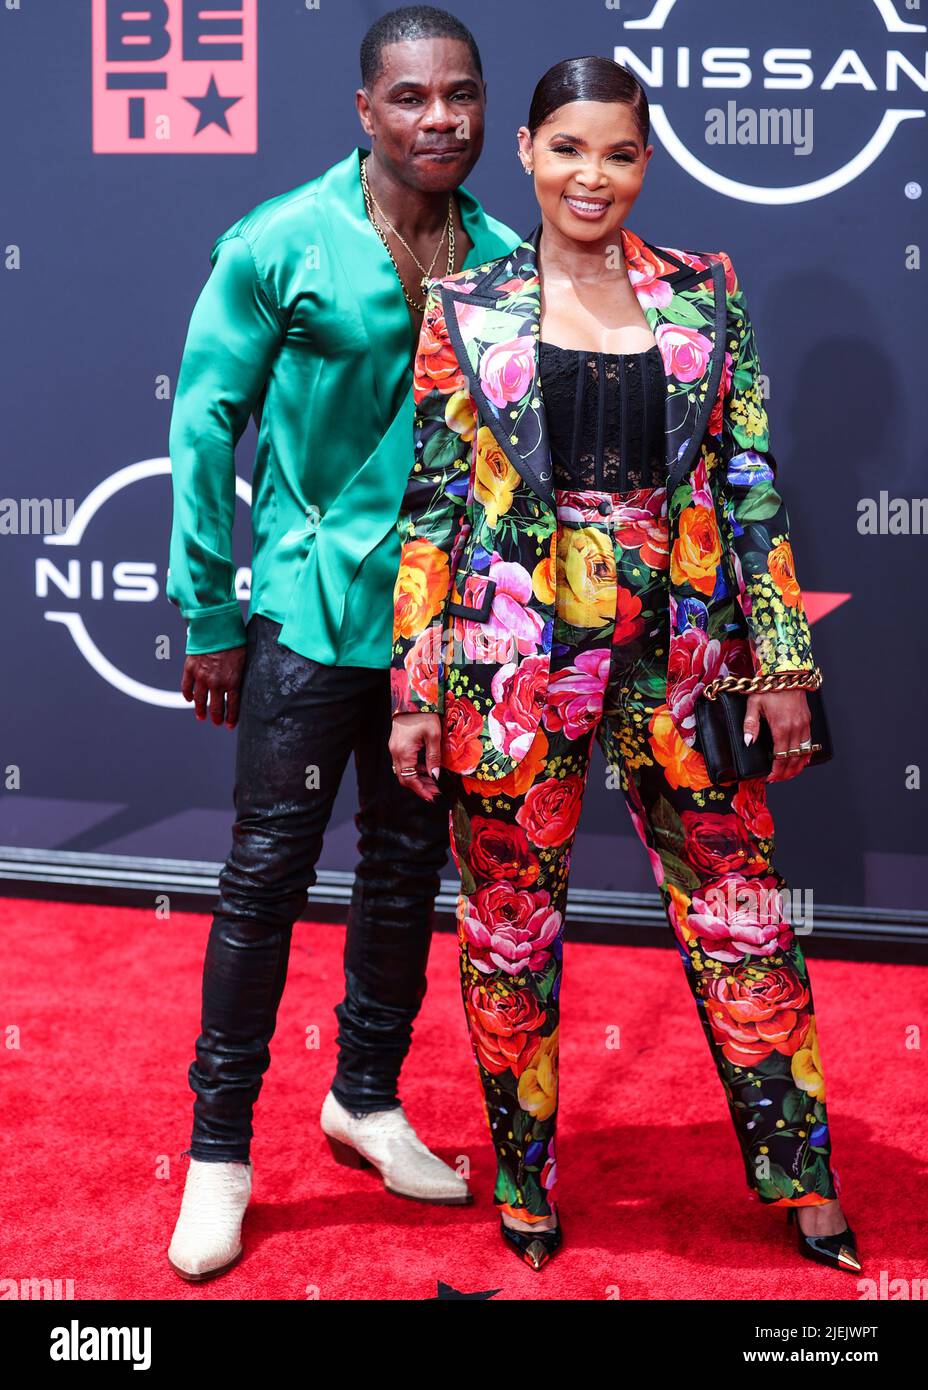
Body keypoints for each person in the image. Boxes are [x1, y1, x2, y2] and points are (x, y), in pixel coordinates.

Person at [388, 55, 860, 1275]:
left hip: (685, 660)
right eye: (568, 150)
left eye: (620, 152)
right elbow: (434, 508)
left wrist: (784, 659)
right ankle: (526, 1181)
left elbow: (749, 481)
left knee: (742, 915)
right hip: (511, 662)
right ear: (530, 154)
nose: (592, 176)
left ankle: (802, 1179)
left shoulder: (708, 295)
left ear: (645, 160)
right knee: (507, 926)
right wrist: (415, 685)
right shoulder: (467, 307)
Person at [164, 6, 520, 1282]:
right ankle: (217, 1151)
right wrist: (211, 612)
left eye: (463, 95)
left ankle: (364, 1097)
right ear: (365, 112)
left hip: (442, 640)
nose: (443, 119)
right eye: (413, 97)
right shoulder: (281, 239)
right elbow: (206, 426)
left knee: (406, 867)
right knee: (264, 879)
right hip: (309, 619)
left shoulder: (500, 256)